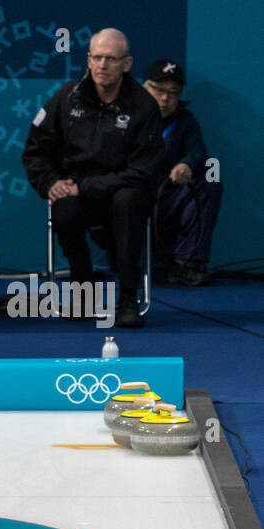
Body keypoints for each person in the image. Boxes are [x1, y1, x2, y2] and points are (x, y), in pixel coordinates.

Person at [21, 27, 164, 328]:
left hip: (124, 190)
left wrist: (83, 187)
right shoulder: (66, 98)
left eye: (111, 59)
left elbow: (142, 172)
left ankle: (127, 298)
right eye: (97, 57)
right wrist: (50, 183)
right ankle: (85, 293)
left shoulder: (144, 106)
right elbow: (35, 151)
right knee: (64, 208)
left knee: (128, 202)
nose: (102, 65)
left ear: (127, 64)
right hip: (77, 194)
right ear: (88, 59)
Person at [143, 58, 221, 287]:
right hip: (133, 195)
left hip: (168, 196)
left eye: (173, 93)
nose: (165, 98)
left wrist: (186, 163)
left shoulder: (185, 121)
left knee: (210, 181)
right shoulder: (127, 116)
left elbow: (199, 151)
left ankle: (186, 264)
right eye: (158, 90)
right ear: (144, 89)